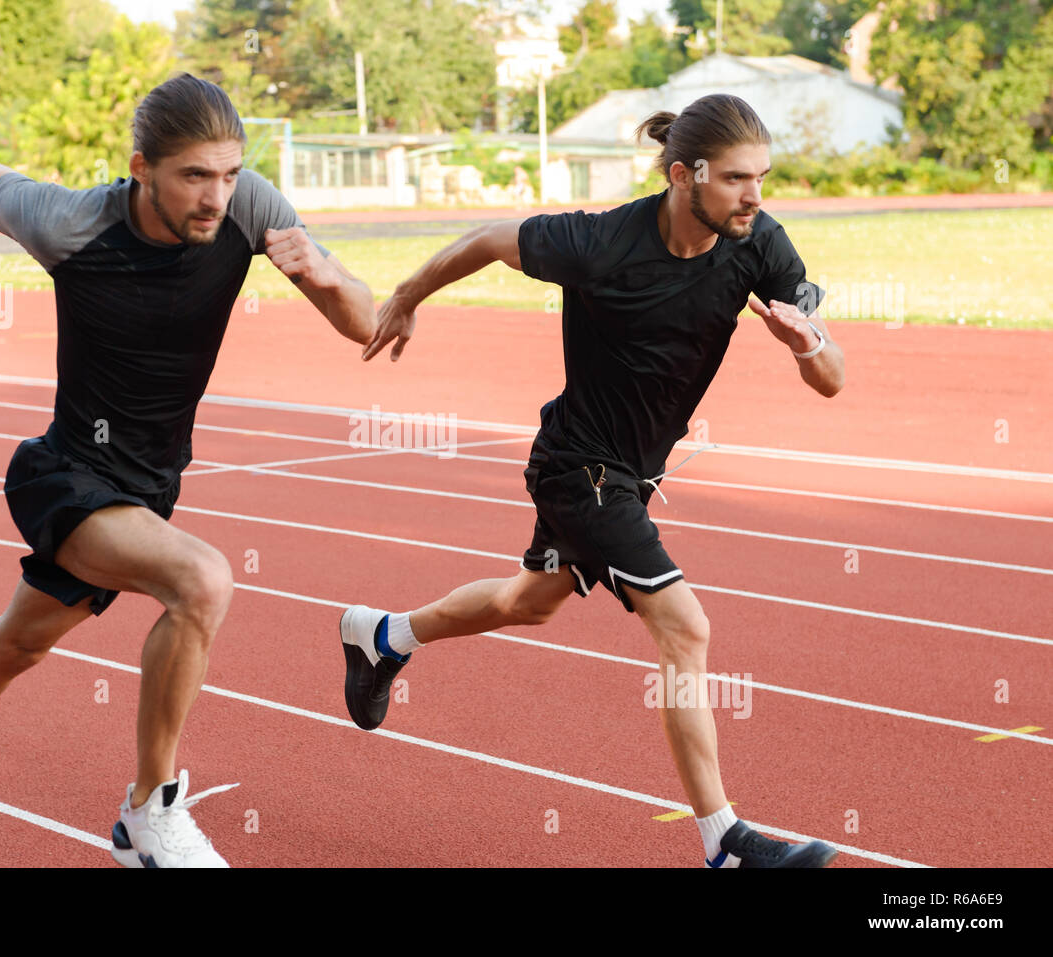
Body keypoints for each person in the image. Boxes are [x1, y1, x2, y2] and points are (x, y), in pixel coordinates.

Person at [0, 74, 375, 868]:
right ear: (140, 168)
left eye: (228, 174)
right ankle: (145, 813)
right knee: (202, 581)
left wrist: (331, 280)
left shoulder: (252, 206)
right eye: (194, 176)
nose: (216, 197)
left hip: (148, 485)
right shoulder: (70, 223)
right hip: (66, 473)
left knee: (15, 647)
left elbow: (365, 322)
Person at [340, 94, 846, 868]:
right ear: (685, 175)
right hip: (578, 468)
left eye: (763, 177)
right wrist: (407, 295)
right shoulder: (600, 240)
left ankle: (382, 636)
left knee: (528, 601)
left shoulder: (761, 244)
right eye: (739, 178)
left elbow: (832, 382)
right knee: (686, 627)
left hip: (634, 474)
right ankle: (726, 845)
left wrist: (806, 343)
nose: (755, 195)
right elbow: (485, 239)